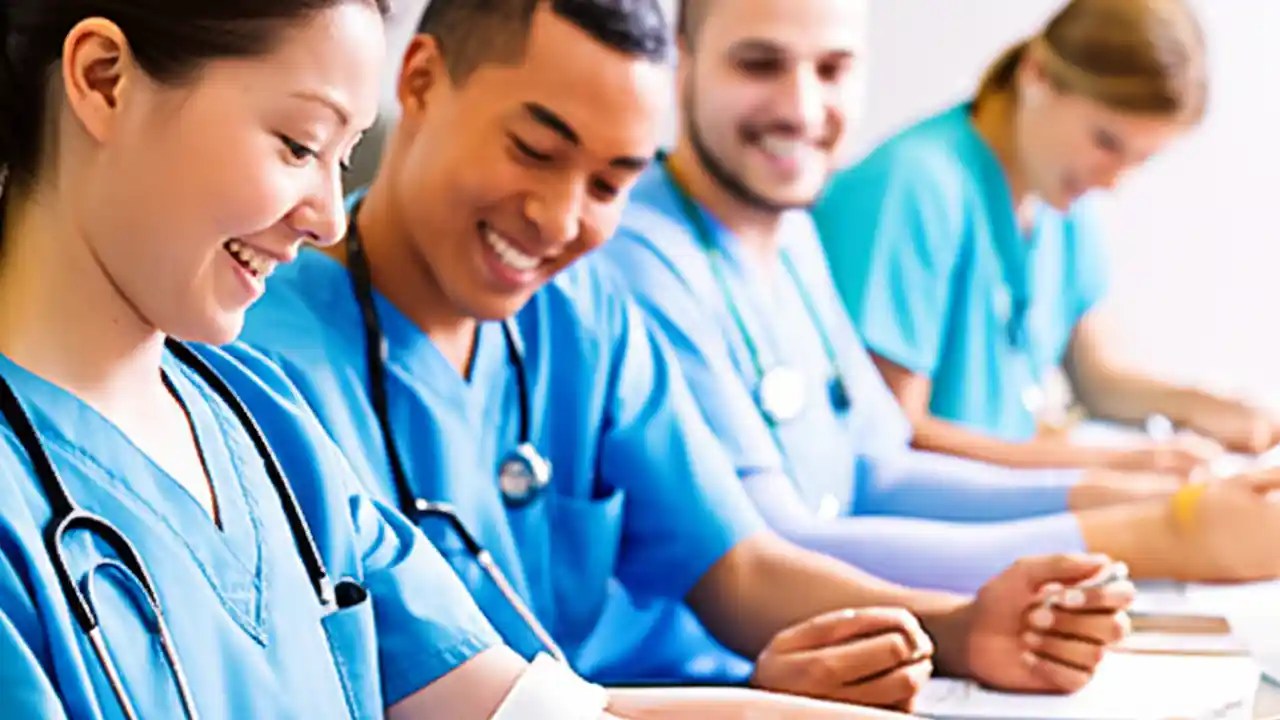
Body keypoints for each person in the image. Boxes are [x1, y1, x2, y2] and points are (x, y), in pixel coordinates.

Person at [0, 1, 901, 718]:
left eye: (344, 156)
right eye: (298, 146)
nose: (329, 215)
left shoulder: (261, 424)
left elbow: (549, 713)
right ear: (104, 79)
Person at [240, 0, 1132, 712]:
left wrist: (963, 629)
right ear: (422, 81)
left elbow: (733, 565)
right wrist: (736, 706)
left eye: (610, 183)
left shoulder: (582, 312)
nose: (558, 220)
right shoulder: (264, 358)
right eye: (534, 151)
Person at [599, 0, 1280, 593]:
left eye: (833, 69)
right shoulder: (638, 261)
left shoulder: (791, 238)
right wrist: (1168, 530)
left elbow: (883, 469)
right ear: (679, 64)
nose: (802, 108)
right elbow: (775, 551)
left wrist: (1162, 497)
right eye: (757, 64)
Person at [813, 0, 1279, 475]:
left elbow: (1099, 378)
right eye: (1106, 142)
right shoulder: (911, 188)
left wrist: (1210, 409)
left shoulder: (1060, 200)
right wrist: (1120, 464)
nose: (1114, 181)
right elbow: (892, 439)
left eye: (1139, 160)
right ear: (1037, 75)